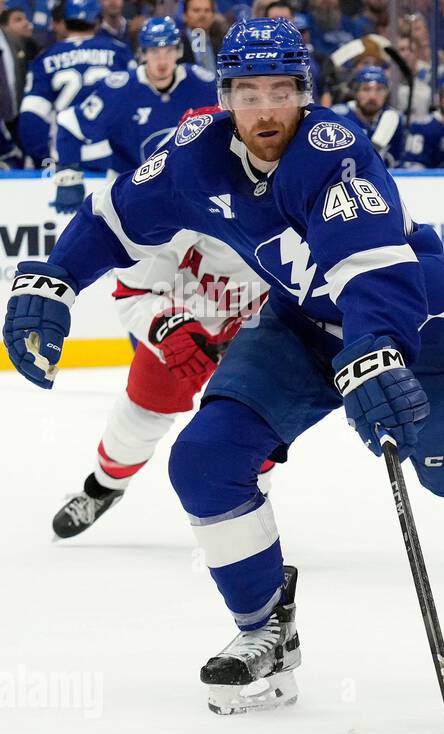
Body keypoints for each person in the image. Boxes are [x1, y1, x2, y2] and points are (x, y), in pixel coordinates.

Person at [4, 18, 444, 716]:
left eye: (280, 91)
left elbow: (373, 275)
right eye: (248, 94)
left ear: (305, 92)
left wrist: (377, 349)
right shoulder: (196, 154)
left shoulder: (334, 152)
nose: (264, 110)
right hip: (297, 328)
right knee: (204, 457)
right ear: (224, 99)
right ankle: (265, 631)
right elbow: (113, 216)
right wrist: (53, 278)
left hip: (408, 329)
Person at [50, 108, 274, 538]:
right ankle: (102, 489)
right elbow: (134, 293)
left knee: (258, 430)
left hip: (258, 332)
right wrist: (168, 328)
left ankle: (250, 515)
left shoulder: (293, 193)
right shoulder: (165, 206)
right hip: (184, 327)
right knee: (139, 419)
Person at [51, 17, 217, 214]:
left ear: (178, 51)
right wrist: (68, 173)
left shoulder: (202, 84)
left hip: (187, 192)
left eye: (168, 51)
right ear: (143, 53)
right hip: (127, 191)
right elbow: (69, 124)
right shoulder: (118, 90)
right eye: (155, 52)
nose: (162, 60)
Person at [17, 0, 134, 166]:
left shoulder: (44, 59)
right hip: (110, 156)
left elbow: (31, 117)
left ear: (64, 23)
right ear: (98, 21)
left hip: (64, 155)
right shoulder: (119, 52)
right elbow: (135, 108)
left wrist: (45, 159)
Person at [331, 64, 404, 167]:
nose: (372, 96)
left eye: (379, 89)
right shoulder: (339, 117)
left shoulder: (393, 119)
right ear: (356, 92)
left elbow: (396, 163)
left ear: (386, 93)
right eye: (366, 89)